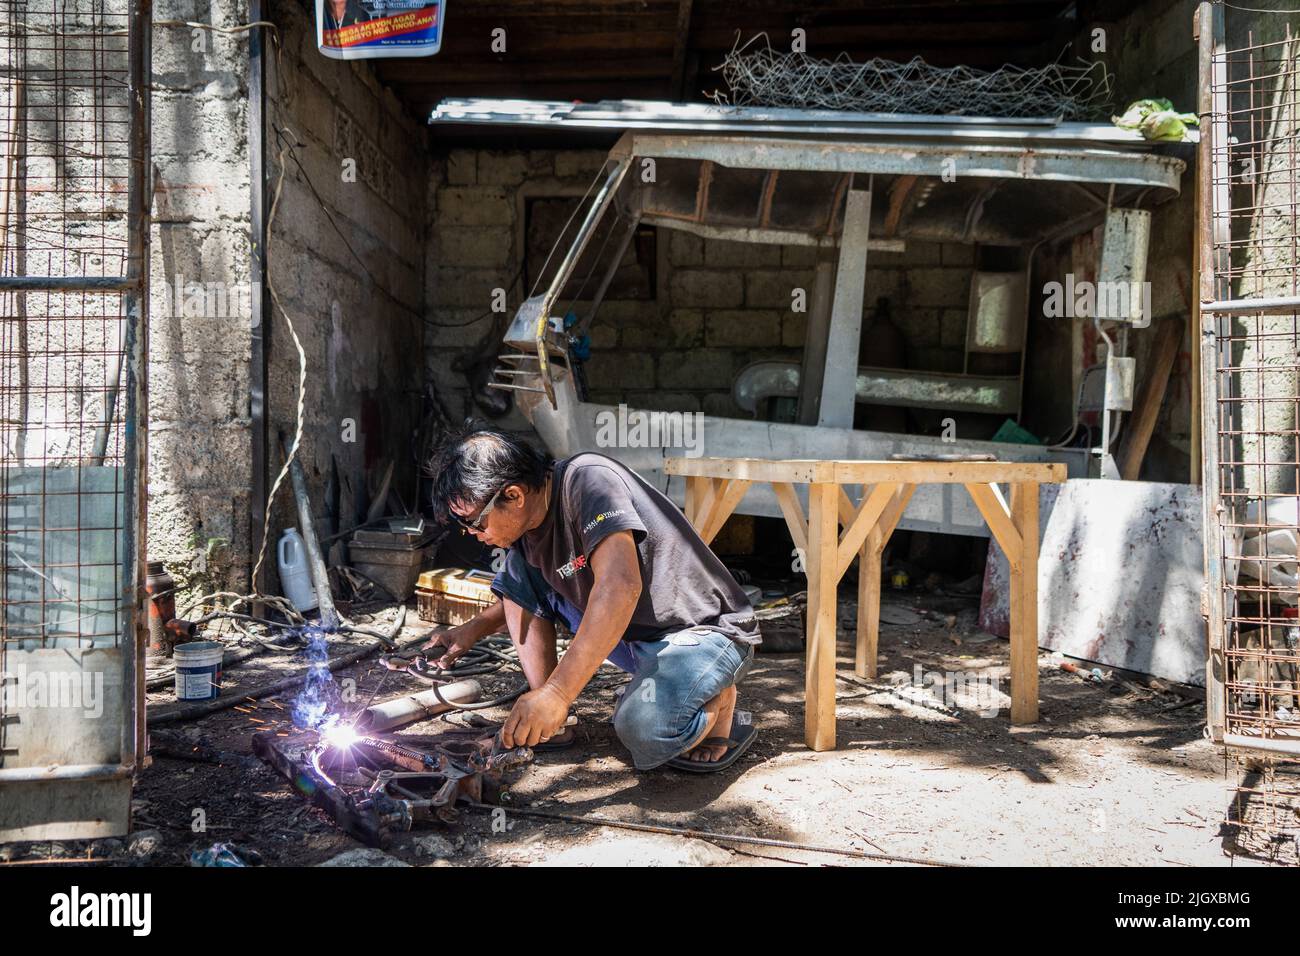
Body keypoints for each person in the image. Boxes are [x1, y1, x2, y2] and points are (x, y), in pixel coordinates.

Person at [425, 425, 760, 772]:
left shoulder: (588, 481)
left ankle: (718, 704)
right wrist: (471, 631)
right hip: (636, 639)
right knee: (517, 572)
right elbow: (524, 593)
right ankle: (553, 724)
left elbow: (619, 586)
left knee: (644, 729)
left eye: (475, 523)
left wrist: (558, 693)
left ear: (514, 495)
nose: (473, 535)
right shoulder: (527, 529)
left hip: (703, 634)